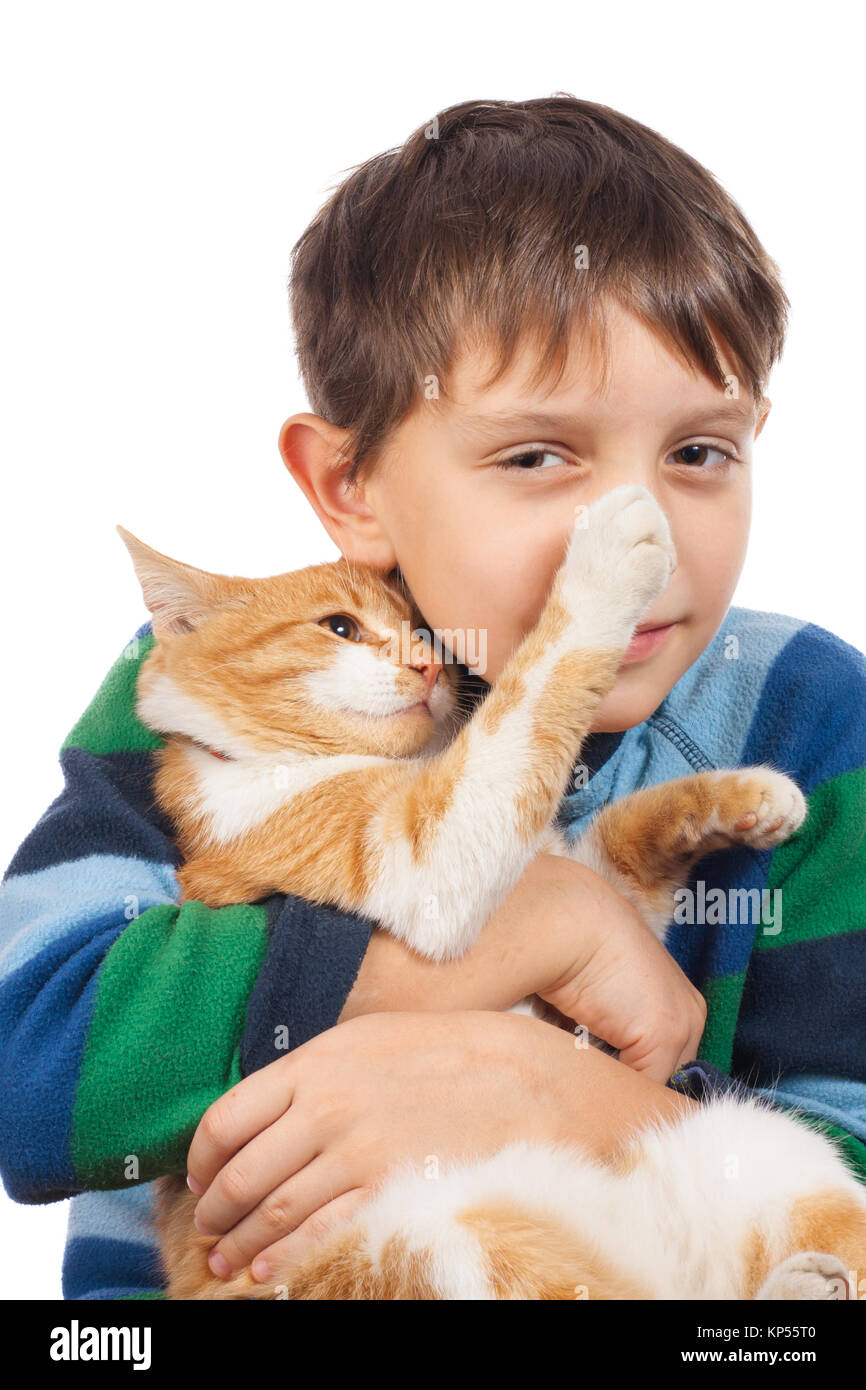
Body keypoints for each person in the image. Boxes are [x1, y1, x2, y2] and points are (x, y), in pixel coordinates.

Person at [2, 95, 865, 1301]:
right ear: (349, 482)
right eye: (535, 455)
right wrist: (531, 934)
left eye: (699, 452)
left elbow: (845, 1170)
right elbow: (29, 1070)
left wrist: (558, 1096)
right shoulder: (217, 693)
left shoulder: (801, 710)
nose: (643, 537)